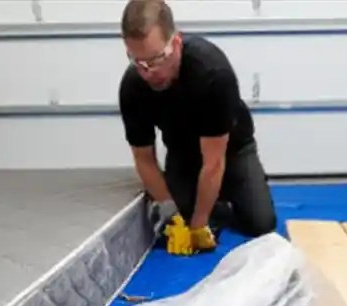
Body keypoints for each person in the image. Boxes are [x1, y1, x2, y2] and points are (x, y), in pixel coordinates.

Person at [118, 0, 277, 256]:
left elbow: (214, 162)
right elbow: (144, 159)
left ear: (176, 43)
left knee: (260, 223)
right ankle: (214, 204)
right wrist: (170, 212)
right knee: (177, 215)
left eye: (157, 59)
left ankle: (226, 195)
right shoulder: (133, 87)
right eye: (138, 61)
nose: (148, 73)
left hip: (232, 150)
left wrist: (198, 226)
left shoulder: (213, 74)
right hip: (183, 154)